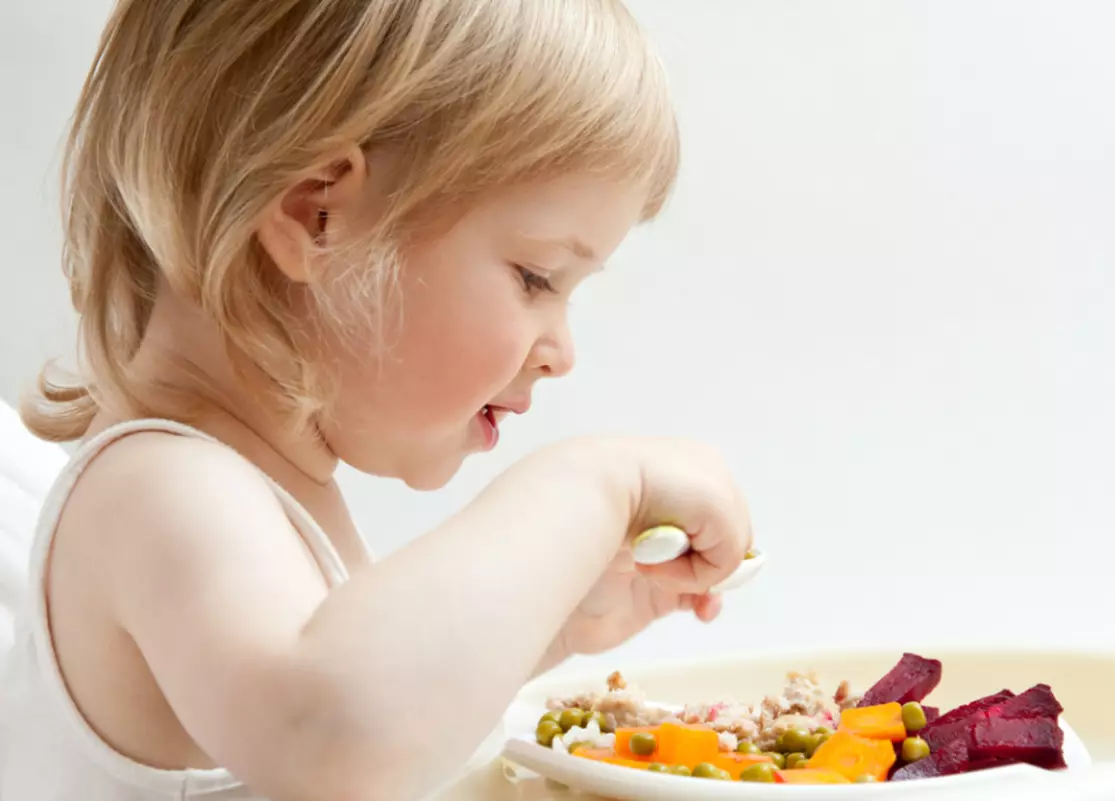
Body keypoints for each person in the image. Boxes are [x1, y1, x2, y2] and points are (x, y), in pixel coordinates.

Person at [0, 2, 753, 800]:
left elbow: (384, 716)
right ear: (315, 214)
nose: (561, 351)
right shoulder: (154, 489)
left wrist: (553, 625)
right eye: (536, 278)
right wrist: (599, 483)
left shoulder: (262, 496)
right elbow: (335, 741)